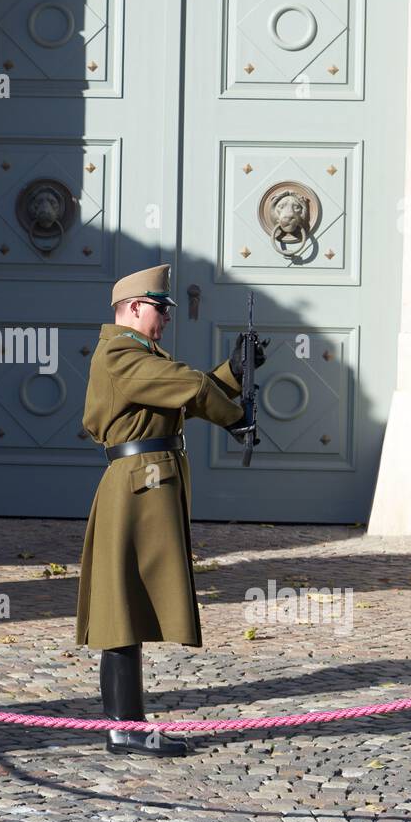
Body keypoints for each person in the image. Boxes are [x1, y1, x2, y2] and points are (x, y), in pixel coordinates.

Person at [75, 264, 268, 759]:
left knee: (130, 604)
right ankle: (124, 727)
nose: (165, 319)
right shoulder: (120, 351)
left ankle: (127, 723)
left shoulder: (141, 353)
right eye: (160, 309)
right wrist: (237, 417)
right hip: (137, 485)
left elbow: (185, 391)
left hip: (148, 483)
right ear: (134, 306)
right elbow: (189, 389)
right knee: (122, 605)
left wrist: (233, 372)